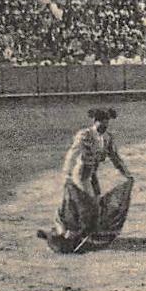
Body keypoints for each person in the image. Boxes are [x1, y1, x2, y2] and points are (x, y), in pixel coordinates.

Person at [45, 107, 135, 252]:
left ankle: (79, 231)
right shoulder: (85, 135)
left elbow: (115, 158)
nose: (104, 125)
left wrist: (127, 174)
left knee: (96, 202)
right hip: (80, 174)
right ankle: (72, 231)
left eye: (106, 122)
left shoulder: (107, 138)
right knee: (87, 203)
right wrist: (67, 173)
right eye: (101, 122)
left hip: (92, 175)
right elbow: (73, 152)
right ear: (95, 121)